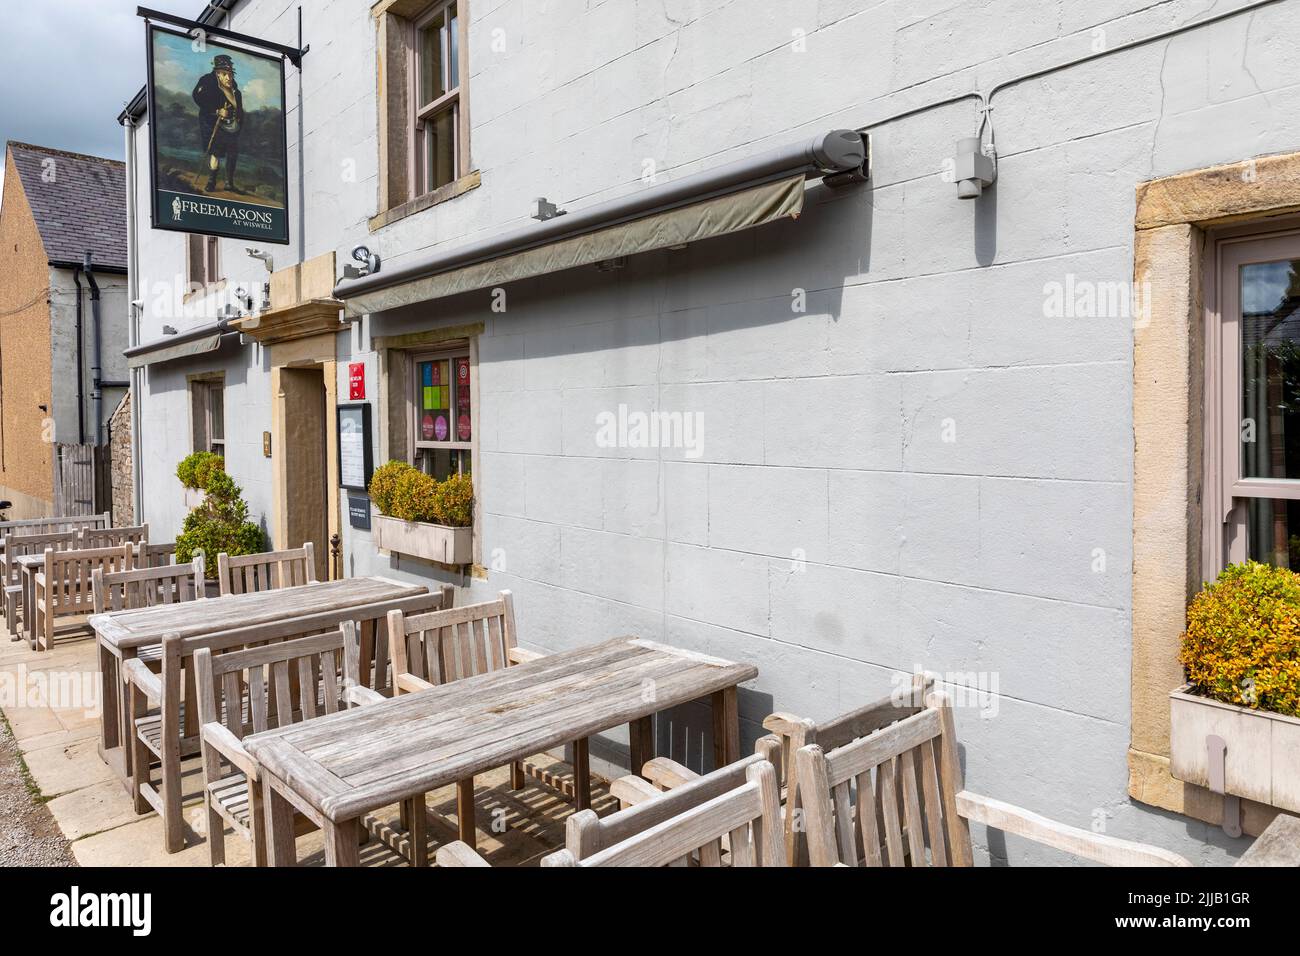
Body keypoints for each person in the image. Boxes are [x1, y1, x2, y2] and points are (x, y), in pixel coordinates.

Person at [191, 53, 244, 193]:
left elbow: (240, 110)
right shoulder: (207, 82)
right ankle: (211, 181)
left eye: (230, 74)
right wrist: (216, 110)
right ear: (218, 74)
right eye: (225, 74)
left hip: (231, 127)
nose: (229, 77)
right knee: (215, 152)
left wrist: (238, 122)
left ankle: (229, 183)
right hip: (211, 123)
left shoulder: (236, 91)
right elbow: (197, 97)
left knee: (233, 153)